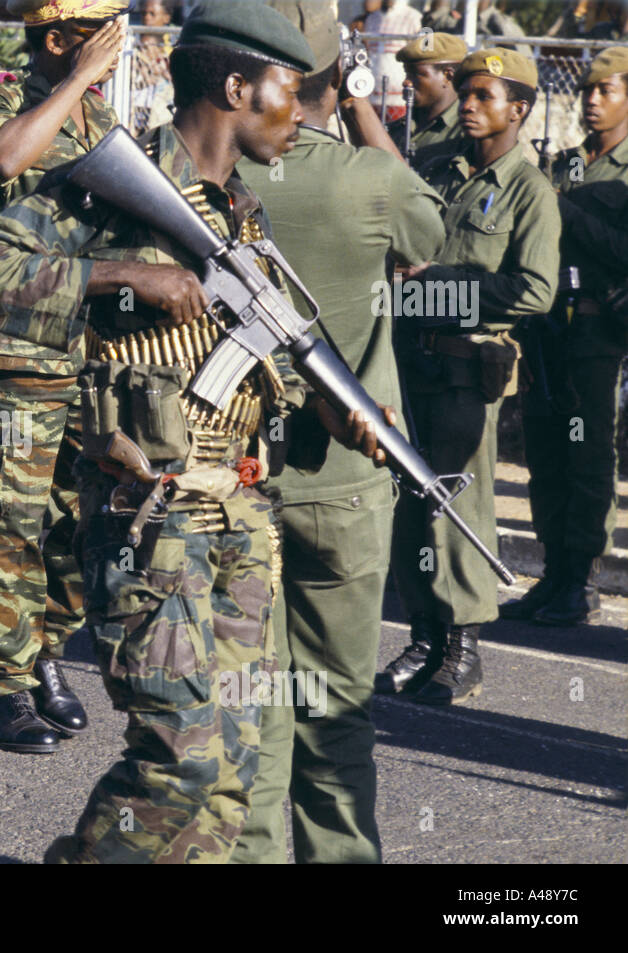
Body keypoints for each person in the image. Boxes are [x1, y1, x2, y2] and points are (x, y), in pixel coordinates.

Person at [0, 0, 392, 862]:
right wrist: (120, 273)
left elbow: (262, 361)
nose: (298, 113)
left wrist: (337, 408)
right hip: (154, 520)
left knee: (230, 769)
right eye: (285, 92)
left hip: (241, 518)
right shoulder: (112, 184)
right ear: (234, 86)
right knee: (178, 762)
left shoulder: (243, 213)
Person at [231, 0, 445, 865]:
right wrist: (364, 105)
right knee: (337, 711)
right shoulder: (370, 179)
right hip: (343, 489)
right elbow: (430, 230)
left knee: (251, 708)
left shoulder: (207, 179)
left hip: (236, 481)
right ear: (330, 75)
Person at [0, 0, 125, 754]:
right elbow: (2, 161)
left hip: (87, 356)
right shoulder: (1, 97)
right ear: (57, 41)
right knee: (6, 523)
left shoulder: (98, 116)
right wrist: (79, 79)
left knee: (74, 524)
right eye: (99, 36)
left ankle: (47, 654)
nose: (117, 48)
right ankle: (1, 688)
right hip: (14, 354)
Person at [382, 47, 559, 705]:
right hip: (414, 360)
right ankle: (424, 635)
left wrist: (442, 287)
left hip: (468, 371)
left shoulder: (529, 190)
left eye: (485, 94)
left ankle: (463, 646)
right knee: (411, 503)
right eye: (465, 92)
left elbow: (536, 290)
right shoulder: (441, 170)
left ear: (519, 107)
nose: (470, 104)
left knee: (459, 504)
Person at [502, 47, 628, 626]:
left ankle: (581, 577)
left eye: (606, 90)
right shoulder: (570, 163)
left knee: (588, 452)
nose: (592, 100)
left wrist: (565, 213)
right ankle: (553, 570)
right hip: (548, 324)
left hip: (599, 331)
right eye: (588, 91)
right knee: (546, 453)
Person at [387, 31, 467, 158]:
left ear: (447, 76)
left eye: (416, 74)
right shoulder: (398, 128)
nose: (406, 82)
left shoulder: (465, 131)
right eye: (407, 74)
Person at [130, 0, 174, 134]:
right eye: (144, 13)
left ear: (166, 17)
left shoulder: (172, 50)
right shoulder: (132, 48)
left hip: (164, 117)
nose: (147, 18)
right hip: (136, 116)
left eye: (152, 14)